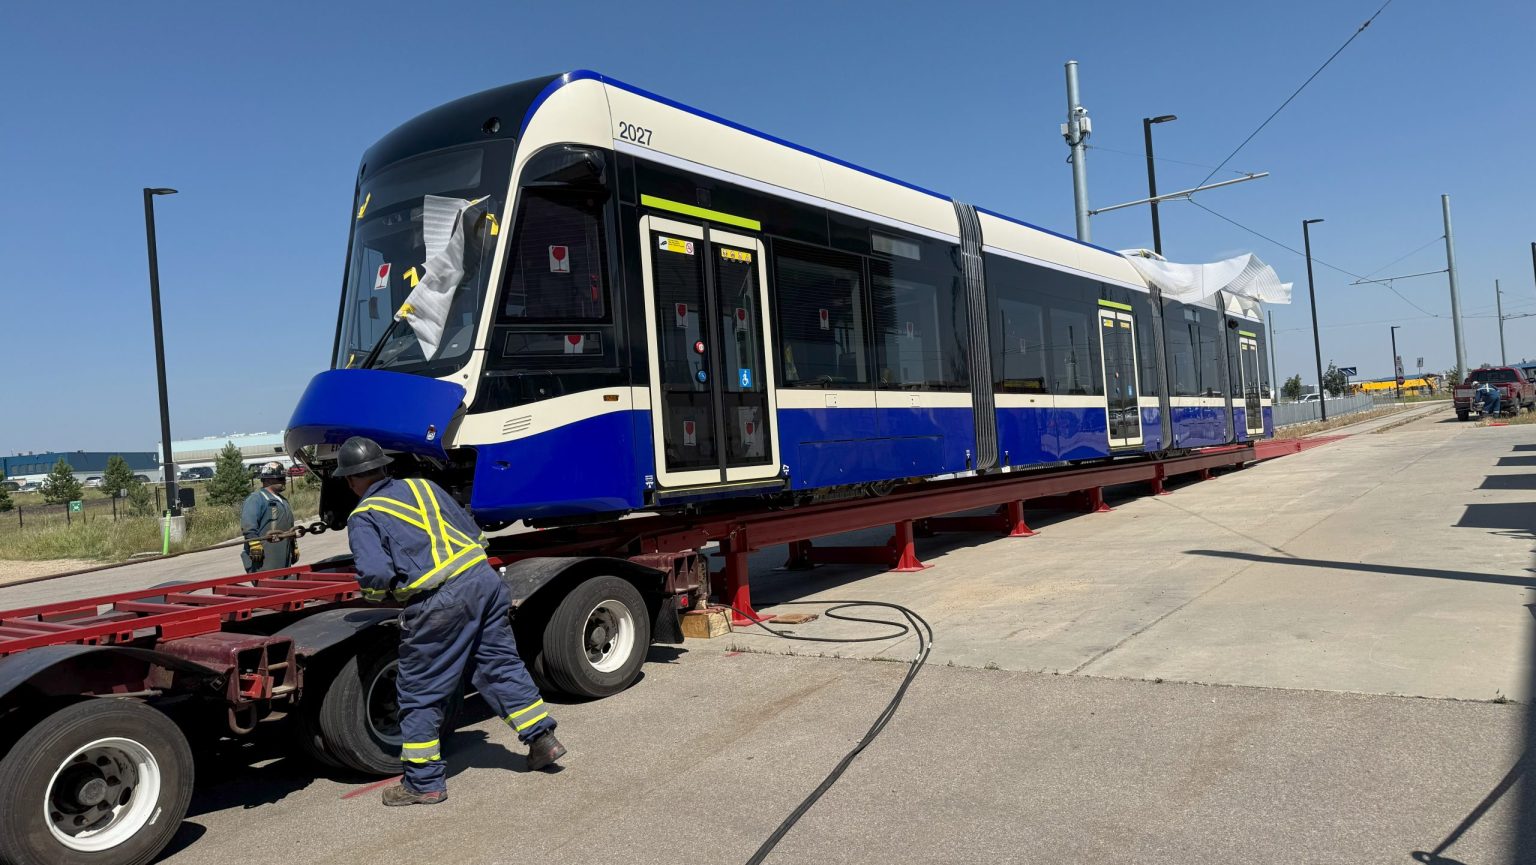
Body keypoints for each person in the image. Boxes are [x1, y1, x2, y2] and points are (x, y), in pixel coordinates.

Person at [335, 436, 565, 806]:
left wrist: (381, 596)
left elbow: (376, 575)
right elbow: (473, 531)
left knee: (420, 691)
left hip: (440, 602)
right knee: (499, 665)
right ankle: (542, 740)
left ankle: (423, 783)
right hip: (484, 582)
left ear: (350, 479)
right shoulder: (423, 487)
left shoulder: (363, 516)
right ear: (383, 467)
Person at [241, 462, 296, 572]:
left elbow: (290, 528)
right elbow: (248, 525)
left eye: (284, 478)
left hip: (283, 553)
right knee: (269, 581)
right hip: (264, 556)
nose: (284, 481)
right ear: (268, 480)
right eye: (280, 478)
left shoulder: (283, 500)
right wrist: (255, 545)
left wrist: (294, 546)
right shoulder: (256, 499)